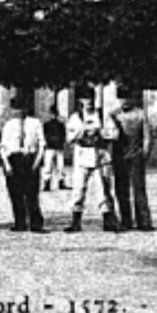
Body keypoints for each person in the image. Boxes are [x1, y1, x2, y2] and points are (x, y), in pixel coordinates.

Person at [65, 92, 116, 233]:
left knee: (103, 189)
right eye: (86, 98)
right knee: (78, 189)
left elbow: (114, 133)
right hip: (82, 156)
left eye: (91, 98)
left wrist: (99, 132)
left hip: (100, 155)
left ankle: (108, 220)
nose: (89, 102)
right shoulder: (76, 117)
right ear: (81, 100)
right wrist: (83, 131)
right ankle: (76, 221)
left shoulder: (103, 115)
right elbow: (69, 137)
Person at [0, 97, 47, 233]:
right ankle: (19, 222)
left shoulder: (35, 123)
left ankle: (36, 223)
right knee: (16, 193)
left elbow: (42, 143)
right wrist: (7, 164)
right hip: (14, 158)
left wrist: (37, 161)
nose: (19, 112)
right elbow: (3, 146)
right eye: (16, 109)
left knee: (32, 193)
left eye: (21, 108)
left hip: (29, 158)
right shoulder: (9, 125)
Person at [110, 90, 155, 231]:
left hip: (136, 155)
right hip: (119, 156)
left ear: (132, 98)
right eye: (121, 98)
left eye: (126, 98)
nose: (124, 101)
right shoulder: (113, 115)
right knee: (121, 189)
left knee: (139, 189)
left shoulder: (141, 114)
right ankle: (126, 220)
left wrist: (145, 153)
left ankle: (144, 221)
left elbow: (147, 136)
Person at [41, 109, 68, 193]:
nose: (53, 116)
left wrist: (61, 143)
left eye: (54, 114)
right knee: (48, 166)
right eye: (52, 114)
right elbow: (44, 135)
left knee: (60, 166)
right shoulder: (46, 125)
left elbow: (63, 135)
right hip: (50, 147)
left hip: (58, 147)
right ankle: (46, 182)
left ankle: (61, 181)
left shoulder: (60, 125)